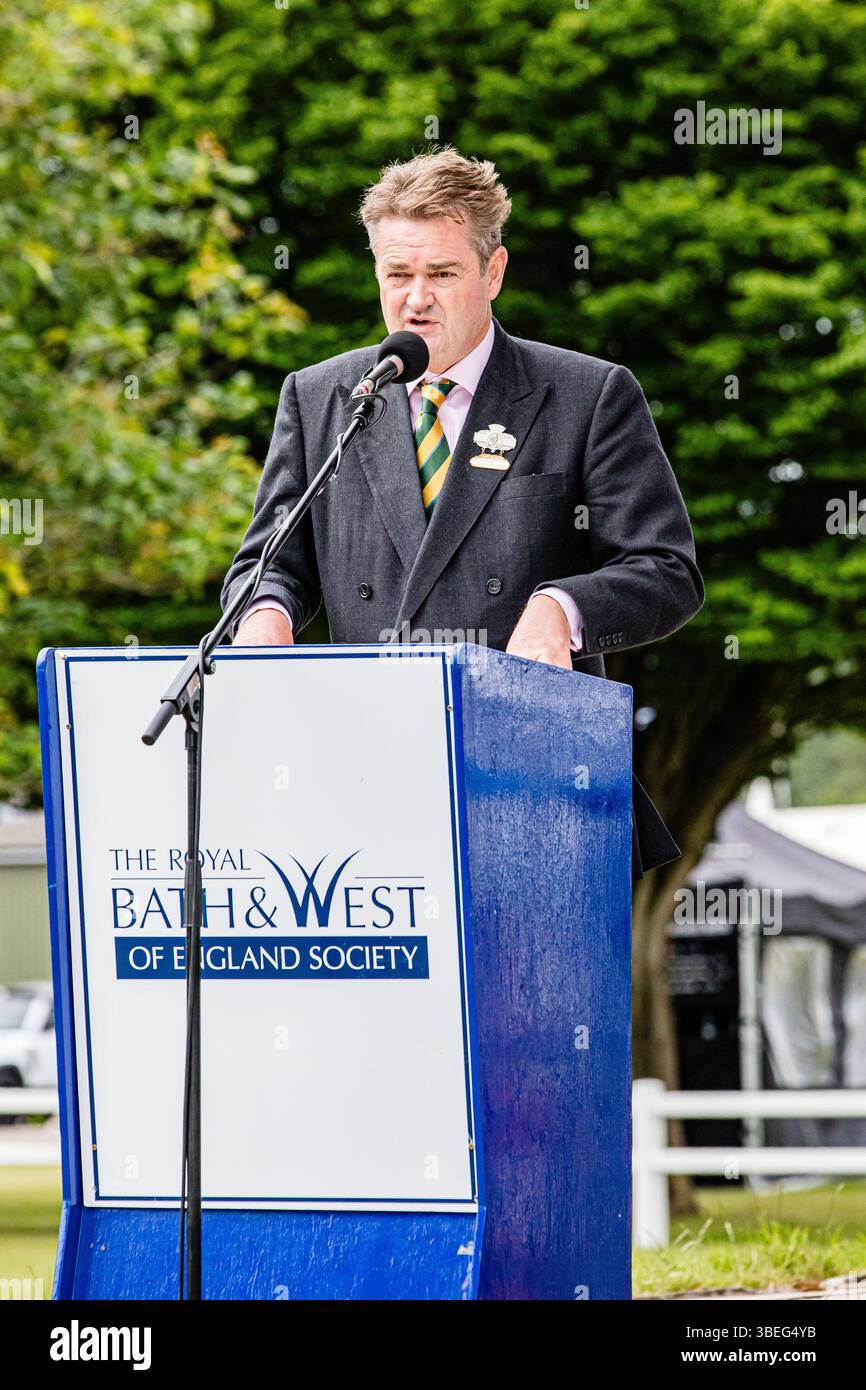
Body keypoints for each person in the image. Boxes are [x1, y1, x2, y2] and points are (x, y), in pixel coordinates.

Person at [221, 147, 703, 874]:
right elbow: (271, 562)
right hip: (360, 790)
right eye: (397, 274)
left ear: (494, 272)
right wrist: (264, 614)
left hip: (536, 789)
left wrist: (559, 608)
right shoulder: (320, 398)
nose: (416, 298)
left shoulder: (588, 394)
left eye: (441, 274)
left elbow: (666, 571)